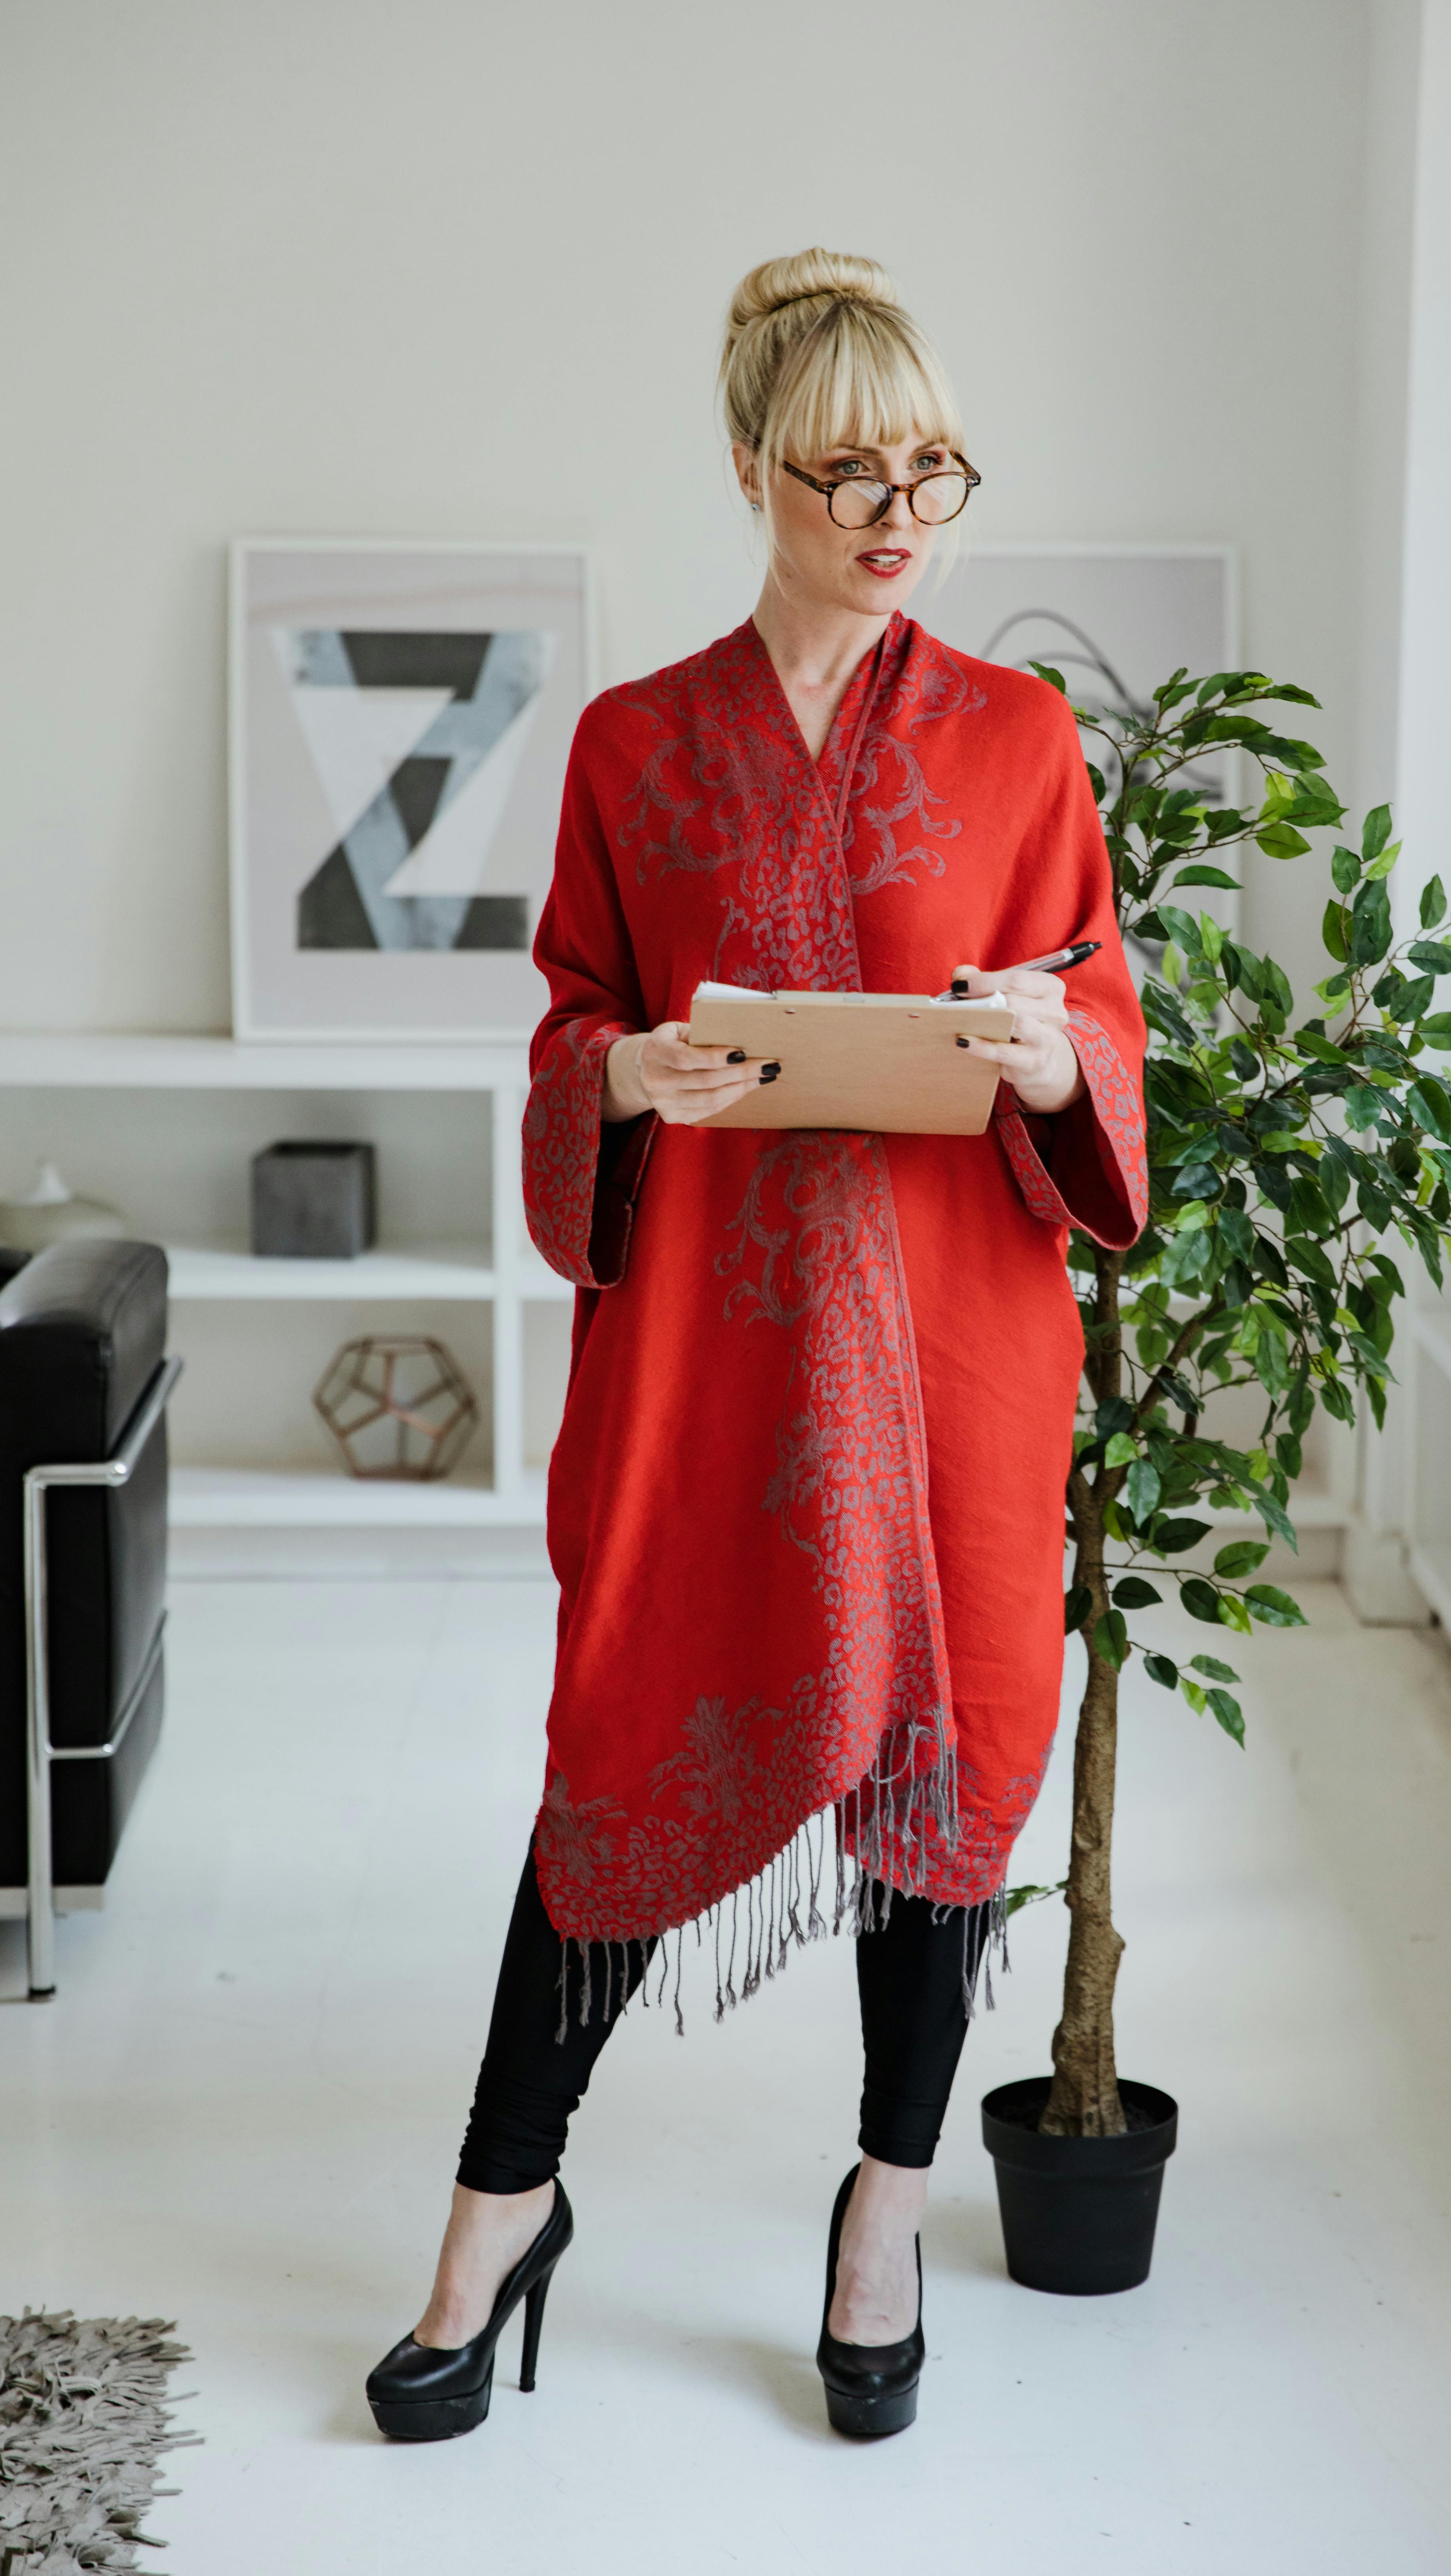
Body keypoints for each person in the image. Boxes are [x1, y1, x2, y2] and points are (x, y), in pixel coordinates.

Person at [366, 246, 1148, 2447]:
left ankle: (883, 2205)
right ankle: (496, 2212)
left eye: (932, 469)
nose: (899, 512)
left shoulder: (1012, 737)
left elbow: (1099, 1017)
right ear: (745, 470)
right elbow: (571, 1022)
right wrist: (622, 1083)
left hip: (952, 1356)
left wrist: (1041, 1051)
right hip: (713, 1357)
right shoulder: (634, 744)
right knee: (621, 1751)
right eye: (846, 471)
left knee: (937, 1775)